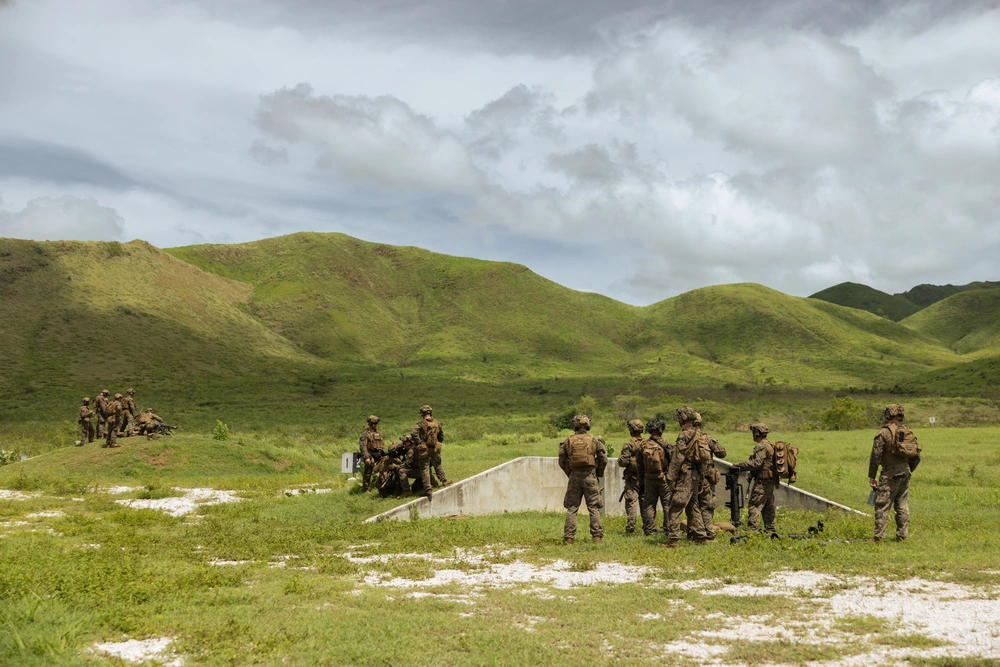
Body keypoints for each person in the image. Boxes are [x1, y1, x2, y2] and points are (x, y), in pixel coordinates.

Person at [869, 404, 921, 542]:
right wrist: (908, 469)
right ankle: (902, 535)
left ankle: (878, 537)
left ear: (887, 415)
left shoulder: (883, 433)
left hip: (889, 473)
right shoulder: (907, 432)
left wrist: (872, 476)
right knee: (902, 504)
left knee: (882, 505)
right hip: (905, 471)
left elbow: (875, 456)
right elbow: (917, 455)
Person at [558, 414, 607, 545]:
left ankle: (569, 538)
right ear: (587, 425)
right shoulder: (594, 440)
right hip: (590, 476)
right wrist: (598, 473)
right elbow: (603, 459)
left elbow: (562, 460)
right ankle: (597, 537)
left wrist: (570, 473)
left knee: (572, 508)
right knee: (594, 507)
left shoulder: (568, 440)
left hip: (574, 476)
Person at [664, 406, 710, 548]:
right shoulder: (699, 435)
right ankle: (701, 536)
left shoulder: (684, 435)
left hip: (685, 475)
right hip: (696, 475)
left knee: (675, 506)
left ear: (682, 419)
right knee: (693, 505)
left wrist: (670, 476)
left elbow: (678, 458)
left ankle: (673, 539)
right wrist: (701, 477)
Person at [688, 412, 726, 541]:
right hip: (707, 479)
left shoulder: (686, 438)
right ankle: (709, 534)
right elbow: (722, 453)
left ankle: (693, 533)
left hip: (691, 478)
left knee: (692, 506)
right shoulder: (708, 438)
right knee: (707, 506)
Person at [735, 423, 777, 534]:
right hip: (770, 480)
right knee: (768, 505)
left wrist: (740, 465)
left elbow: (756, 463)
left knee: (754, 504)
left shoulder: (761, 446)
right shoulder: (770, 445)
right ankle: (771, 530)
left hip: (763, 481)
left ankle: (752, 530)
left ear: (757, 433)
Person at [637, 417, 671, 536]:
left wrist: (641, 483)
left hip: (649, 480)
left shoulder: (643, 445)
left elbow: (639, 466)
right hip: (664, 479)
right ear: (661, 430)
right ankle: (669, 528)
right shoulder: (666, 445)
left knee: (649, 505)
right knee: (667, 504)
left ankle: (649, 530)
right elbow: (674, 462)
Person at [411, 405, 449, 493]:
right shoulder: (437, 423)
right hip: (434, 447)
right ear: (430, 413)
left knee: (425, 468)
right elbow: (441, 436)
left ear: (422, 413)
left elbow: (413, 433)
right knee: (438, 464)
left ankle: (427, 488)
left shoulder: (421, 423)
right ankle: (444, 481)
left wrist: (418, 442)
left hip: (424, 448)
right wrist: (437, 442)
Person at [616, 419, 645, 534]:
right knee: (645, 503)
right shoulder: (646, 443)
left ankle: (630, 528)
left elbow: (623, 462)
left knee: (631, 502)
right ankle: (648, 527)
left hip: (632, 479)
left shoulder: (629, 444)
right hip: (645, 479)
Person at [359, 415, 385, 492]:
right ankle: (366, 489)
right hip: (370, 453)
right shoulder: (365, 434)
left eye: (376, 423)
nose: (375, 424)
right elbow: (363, 446)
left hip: (378, 453)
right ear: (370, 423)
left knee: (385, 466)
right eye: (373, 423)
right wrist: (366, 457)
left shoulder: (378, 433)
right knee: (368, 470)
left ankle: (383, 485)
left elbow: (381, 444)